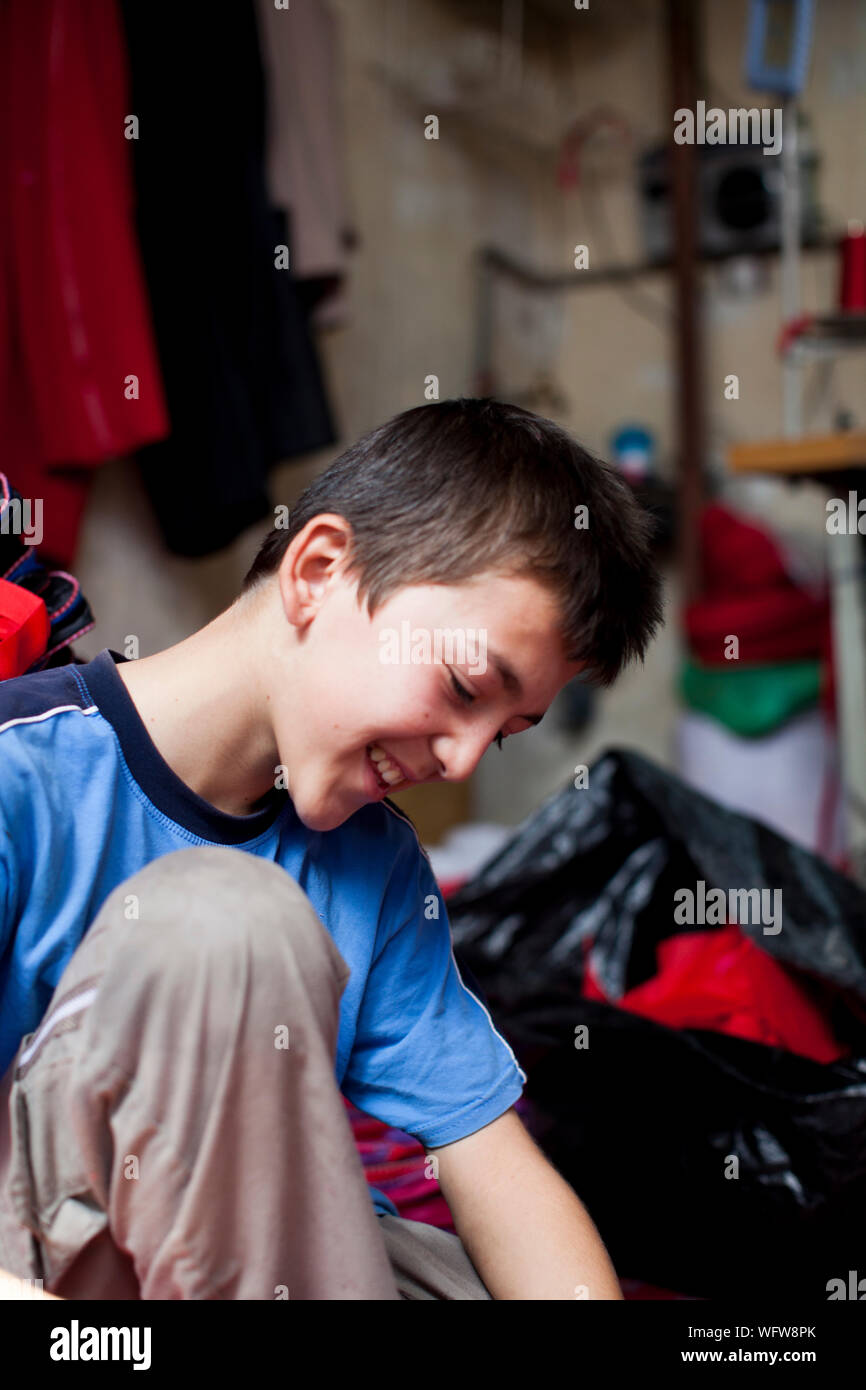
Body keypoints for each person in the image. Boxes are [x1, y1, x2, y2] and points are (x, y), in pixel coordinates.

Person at [0, 397, 663, 1300]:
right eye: (465, 686)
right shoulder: (21, 774)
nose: (462, 758)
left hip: (213, 1266)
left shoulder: (373, 868)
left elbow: (494, 1168)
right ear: (316, 570)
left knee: (465, 1281)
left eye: (504, 732)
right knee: (227, 921)